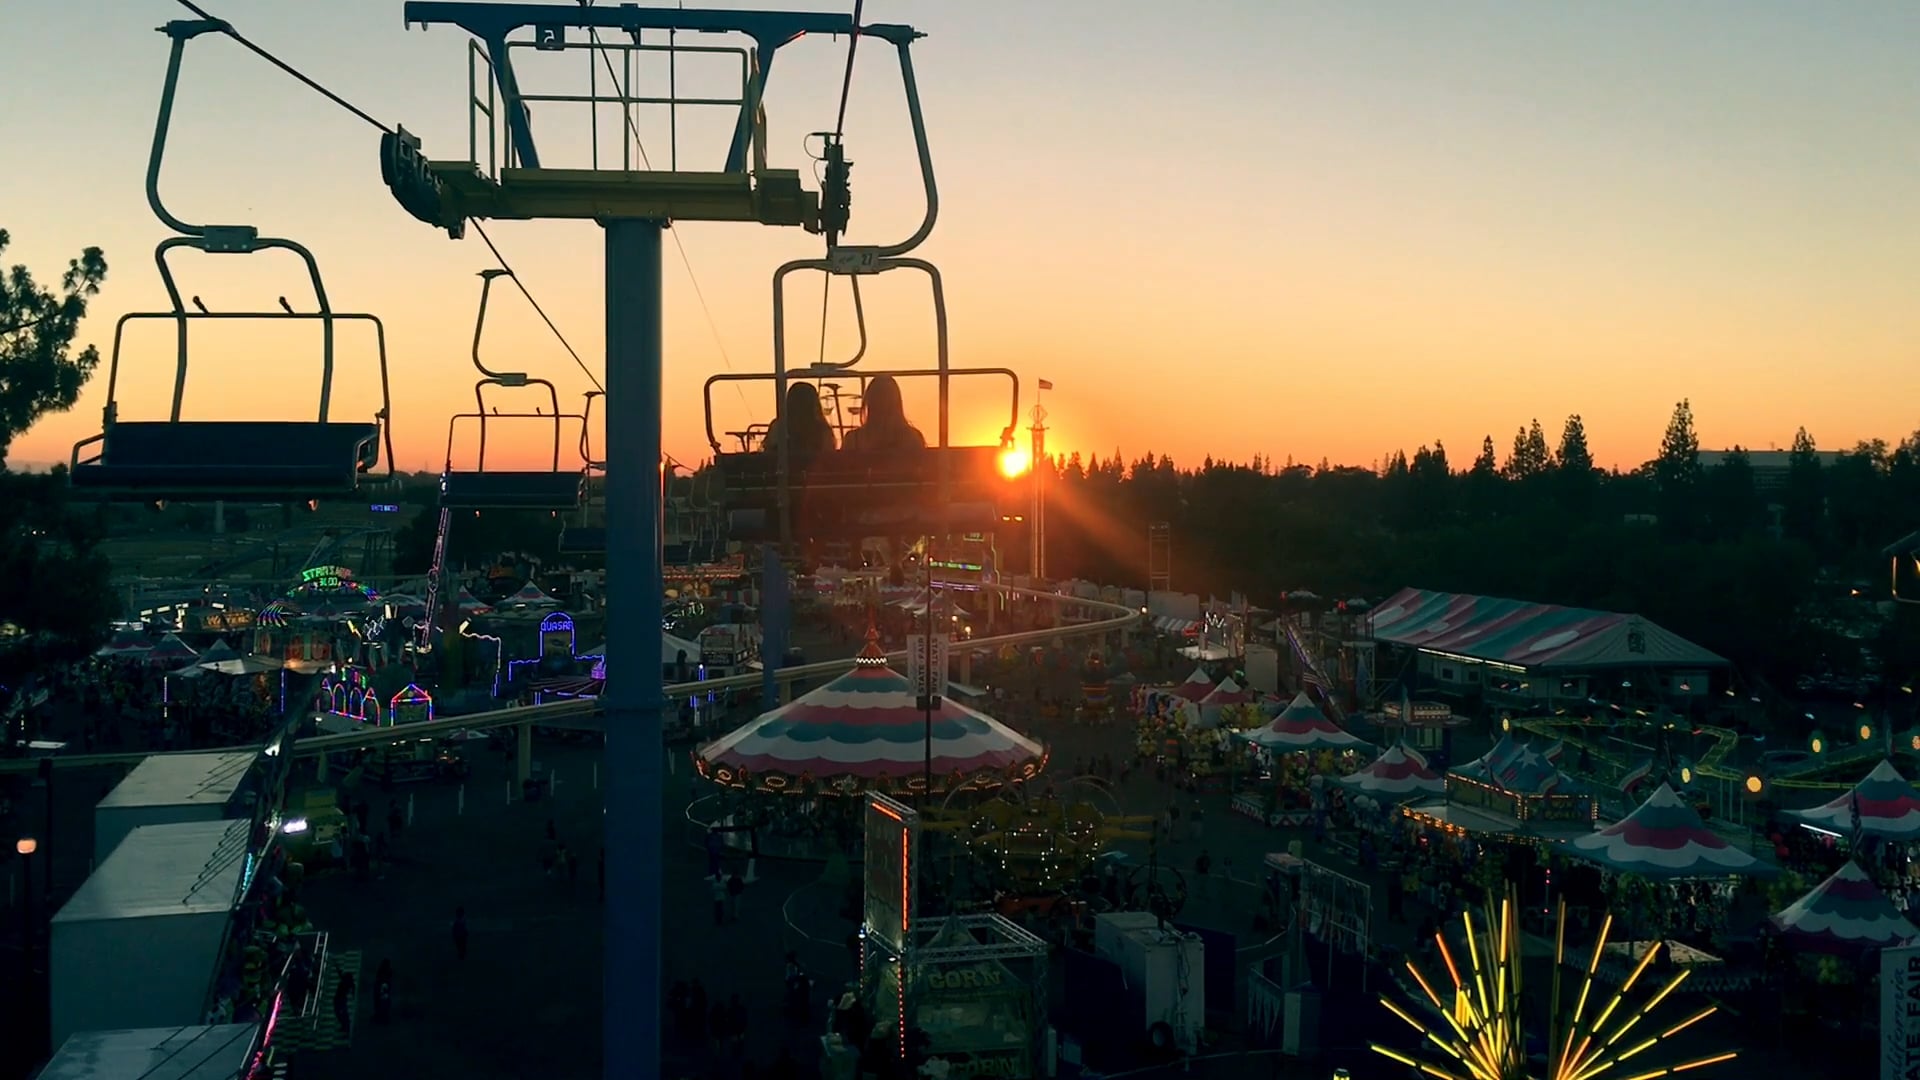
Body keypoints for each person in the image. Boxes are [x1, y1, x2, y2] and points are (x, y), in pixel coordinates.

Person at [841, 375, 924, 455]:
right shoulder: (912, 438)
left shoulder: (853, 440)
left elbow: (840, 467)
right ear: (897, 403)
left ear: (869, 403)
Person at [763, 382, 837, 470]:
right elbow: (830, 456)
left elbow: (769, 455)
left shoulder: (778, 426)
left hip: (784, 474)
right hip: (816, 476)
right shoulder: (823, 429)